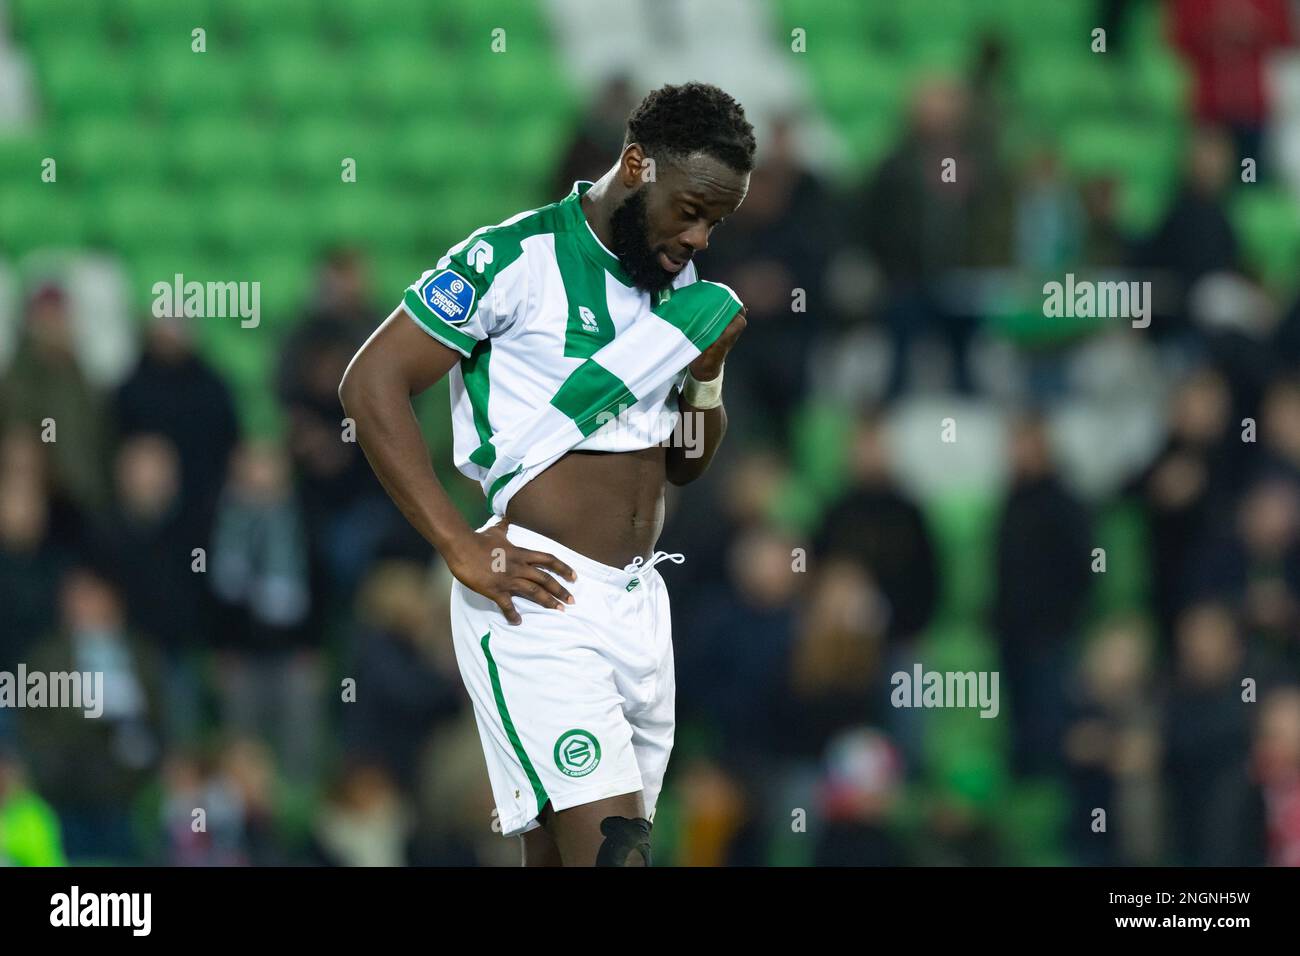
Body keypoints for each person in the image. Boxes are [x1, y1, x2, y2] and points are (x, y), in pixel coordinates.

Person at [340, 82, 755, 866]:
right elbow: (371, 383)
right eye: (691, 210)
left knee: (559, 858)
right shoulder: (513, 260)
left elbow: (688, 465)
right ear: (637, 165)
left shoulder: (683, 290)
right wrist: (457, 543)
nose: (700, 237)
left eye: (716, 222)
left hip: (637, 605)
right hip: (541, 597)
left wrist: (707, 378)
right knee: (616, 849)